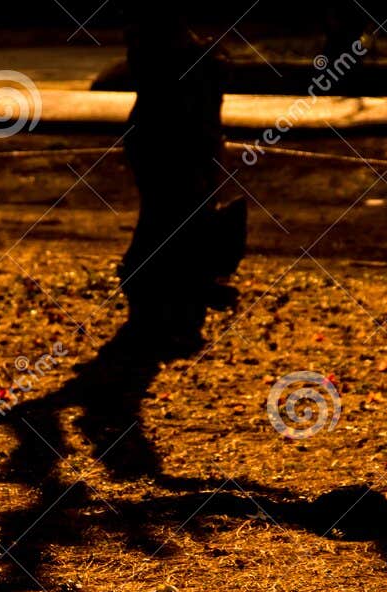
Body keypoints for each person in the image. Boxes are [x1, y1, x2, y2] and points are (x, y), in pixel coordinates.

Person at [118, 10, 247, 350]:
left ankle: (165, 305)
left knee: (167, 220)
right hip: (173, 148)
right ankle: (169, 307)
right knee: (170, 219)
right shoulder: (185, 64)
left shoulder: (169, 60)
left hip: (167, 146)